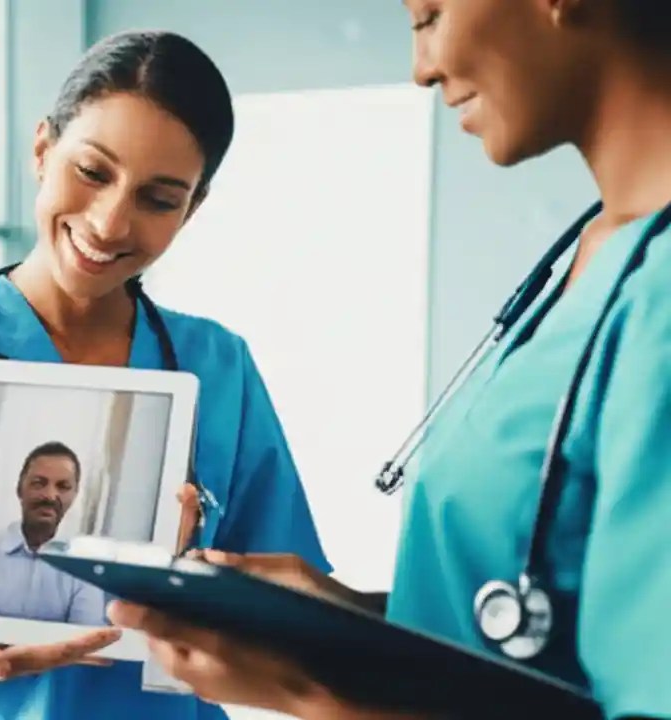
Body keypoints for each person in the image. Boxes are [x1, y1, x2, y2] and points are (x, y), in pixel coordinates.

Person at [110, 1, 671, 719]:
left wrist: (311, 691)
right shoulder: (593, 252)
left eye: (429, 15)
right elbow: (539, 636)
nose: (421, 68)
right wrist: (347, 618)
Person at [0, 29, 330, 720]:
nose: (109, 221)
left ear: (192, 209)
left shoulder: (220, 368)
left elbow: (290, 630)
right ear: (43, 149)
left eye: (159, 199)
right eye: (93, 172)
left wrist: (193, 594)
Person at [0, 442, 108, 625]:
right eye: (39, 483)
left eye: (63, 486)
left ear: (75, 495)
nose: (50, 495)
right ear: (19, 489)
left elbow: (87, 643)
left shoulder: (85, 566)